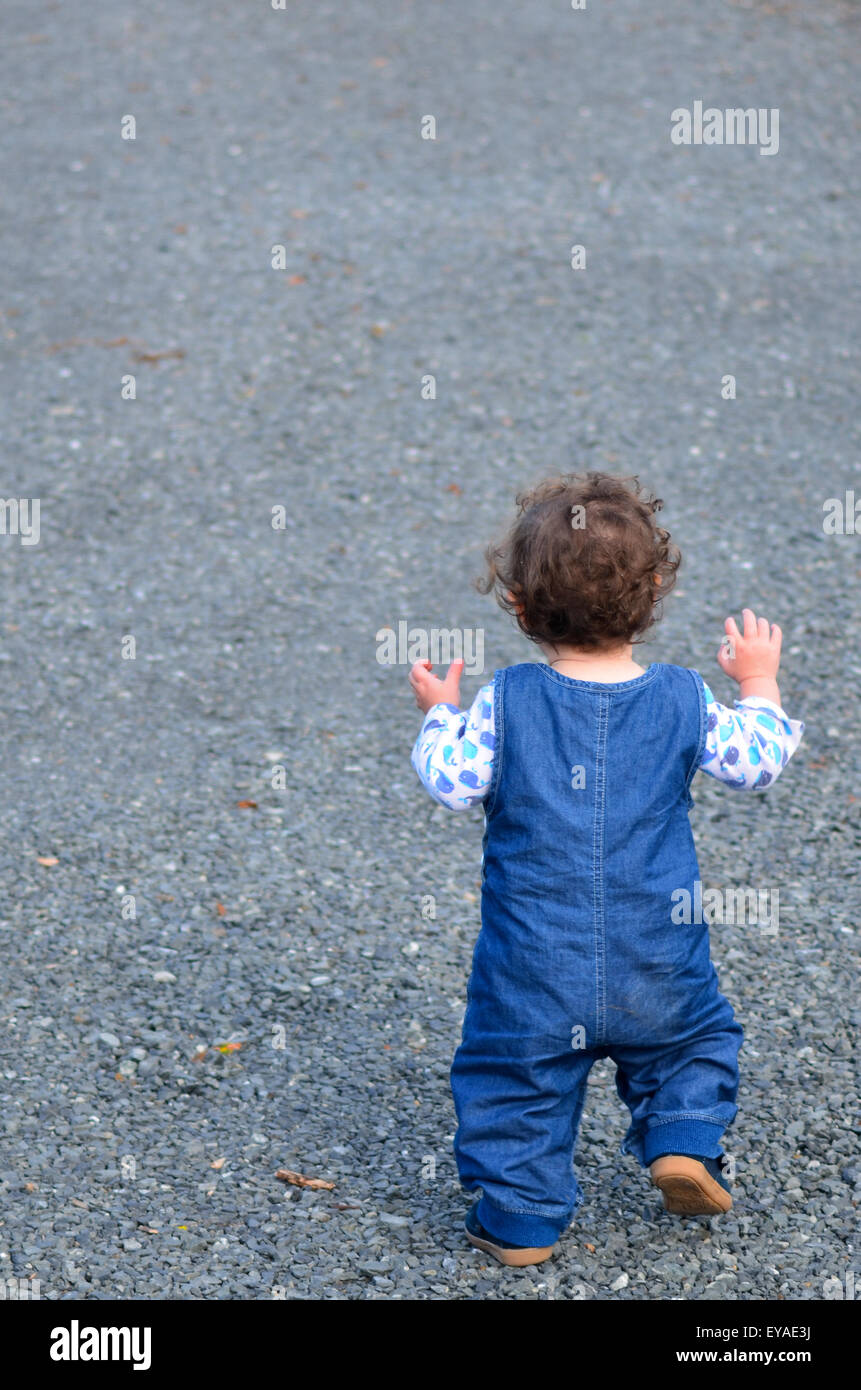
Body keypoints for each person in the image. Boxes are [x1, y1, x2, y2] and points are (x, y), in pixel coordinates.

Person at [409, 473, 804, 1267]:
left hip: (532, 963)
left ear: (518, 606)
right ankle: (681, 1137)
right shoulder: (683, 699)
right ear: (653, 592)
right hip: (656, 949)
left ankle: (520, 1217)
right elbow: (758, 763)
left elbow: (449, 781)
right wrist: (756, 682)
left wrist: (437, 715)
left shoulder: (507, 699)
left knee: (512, 1075)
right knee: (694, 1037)